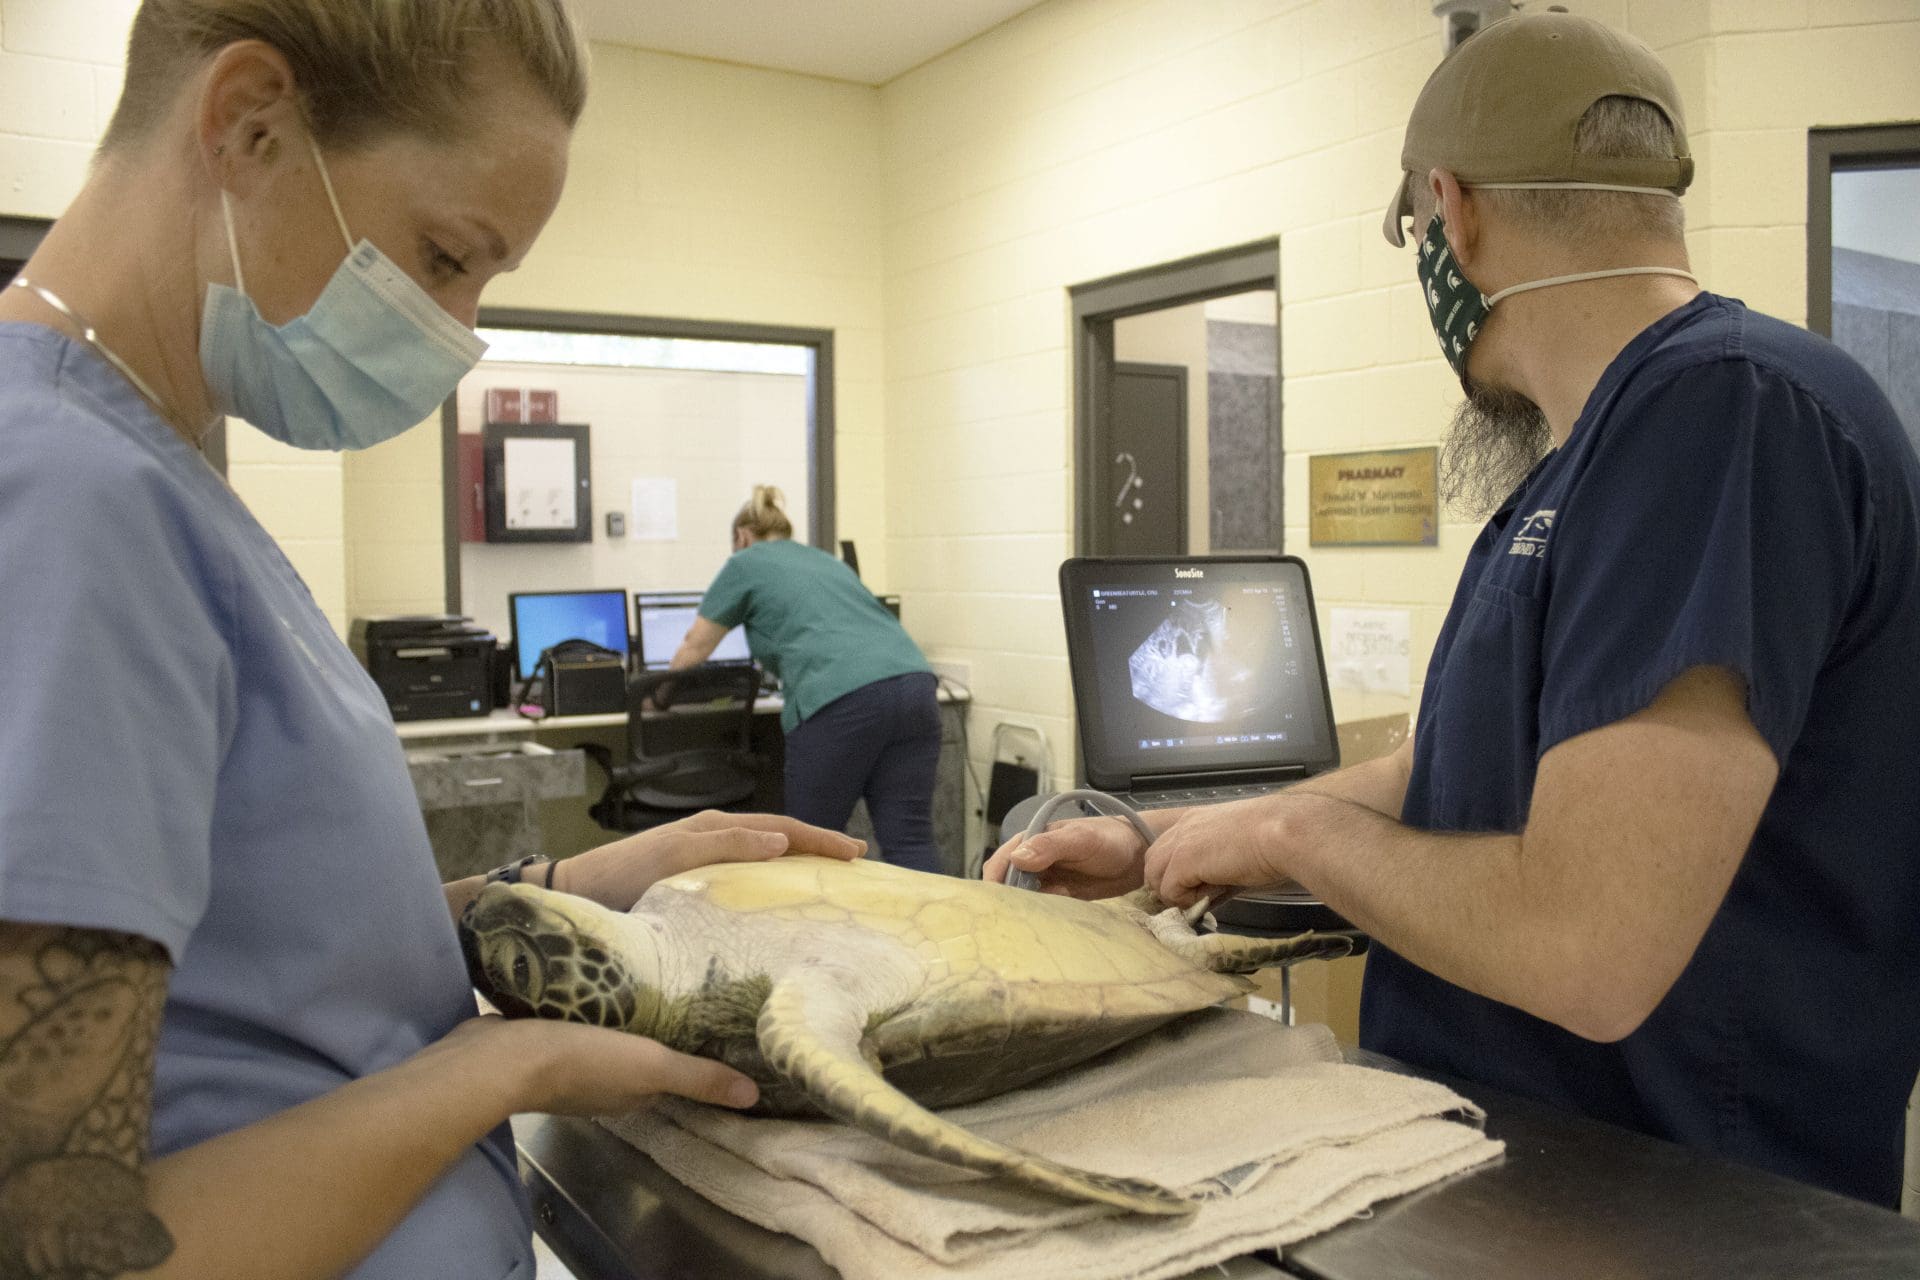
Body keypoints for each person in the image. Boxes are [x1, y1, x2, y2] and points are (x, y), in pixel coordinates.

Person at [989, 12, 1920, 1208]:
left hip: (1669, 1204)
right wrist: (1158, 842)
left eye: (1418, 234)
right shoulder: (1589, 464)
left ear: (1452, 212)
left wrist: (1297, 838)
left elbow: (1587, 947)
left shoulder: (1725, 415)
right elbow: (1450, 775)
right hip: (1516, 1168)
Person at [0, 4, 866, 1277]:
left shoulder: (160, 480)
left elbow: (275, 959)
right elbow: (53, 1240)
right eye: (446, 255)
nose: (458, 332)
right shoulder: (67, 492)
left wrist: (567, 888)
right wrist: (509, 1065)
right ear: (251, 124)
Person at [666, 485, 947, 874]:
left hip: (841, 698)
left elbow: (695, 645)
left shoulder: (745, 562)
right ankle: (938, 918)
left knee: (810, 842)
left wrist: (657, 694)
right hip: (915, 684)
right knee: (910, 839)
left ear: (742, 536)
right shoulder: (825, 561)